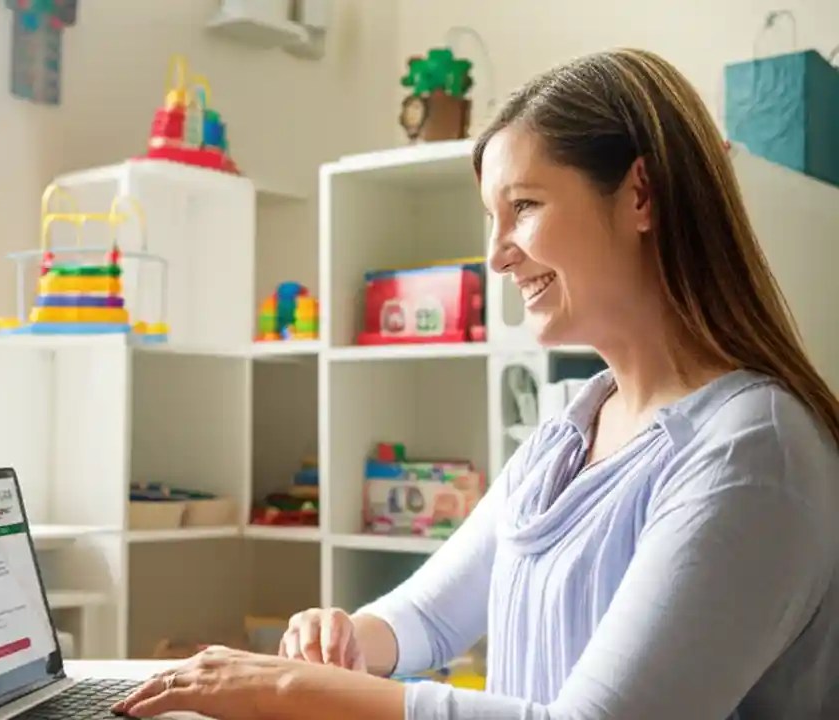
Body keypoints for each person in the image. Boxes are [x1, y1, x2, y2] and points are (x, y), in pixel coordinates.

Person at [113, 47, 839, 720]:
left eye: (523, 207)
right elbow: (427, 619)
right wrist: (342, 641)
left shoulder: (752, 451)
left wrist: (289, 686)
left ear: (640, 194)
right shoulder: (568, 429)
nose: (497, 256)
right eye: (493, 219)